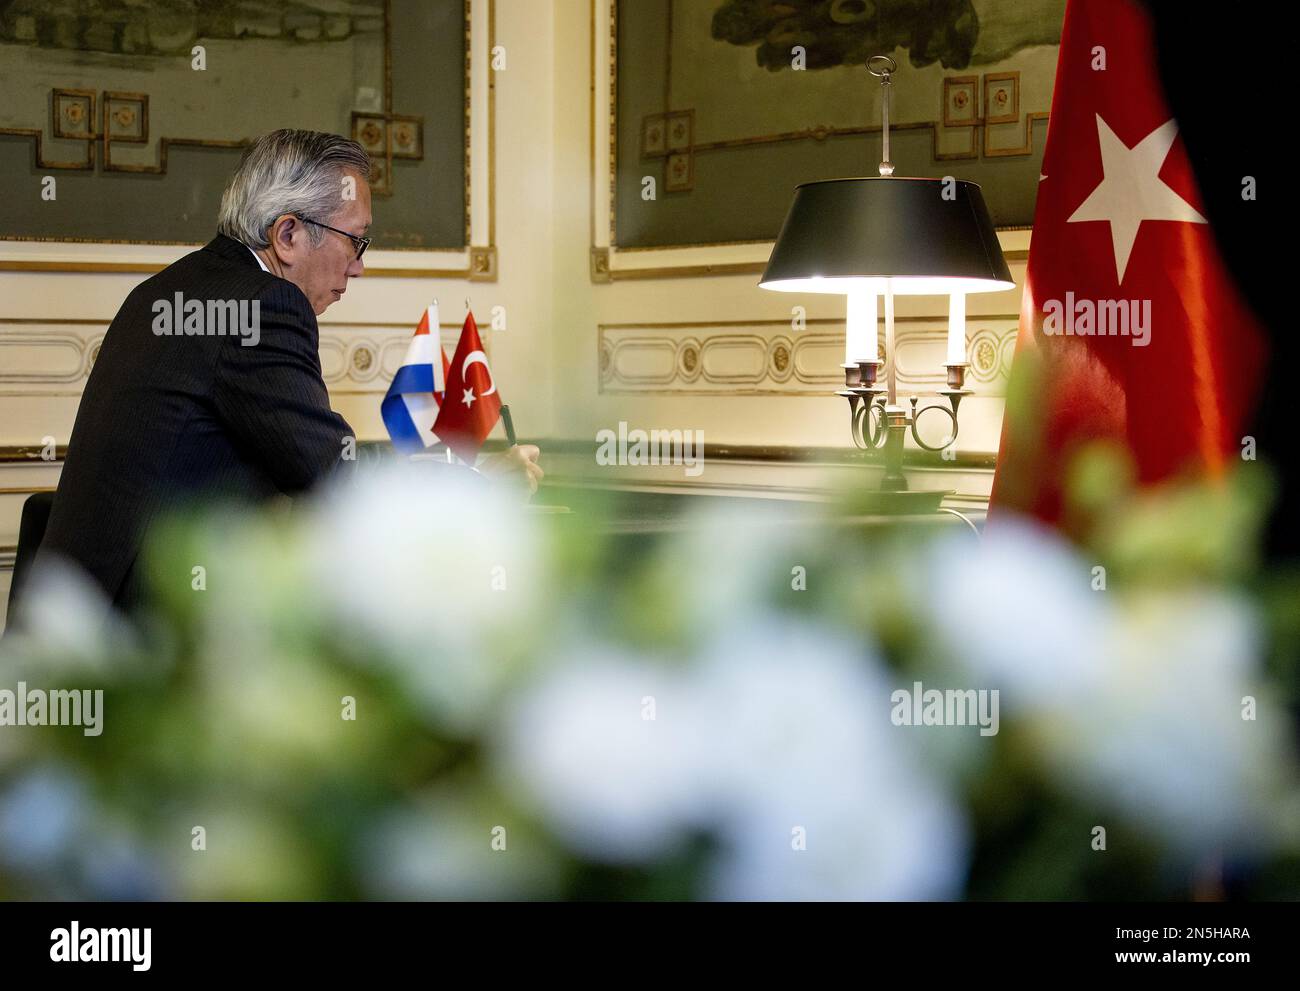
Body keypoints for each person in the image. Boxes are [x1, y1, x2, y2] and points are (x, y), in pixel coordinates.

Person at [34, 129, 541, 613]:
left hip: (80, 629)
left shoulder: (165, 290)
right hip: (150, 651)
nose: (359, 266)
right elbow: (333, 483)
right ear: (289, 234)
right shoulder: (262, 305)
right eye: (356, 241)